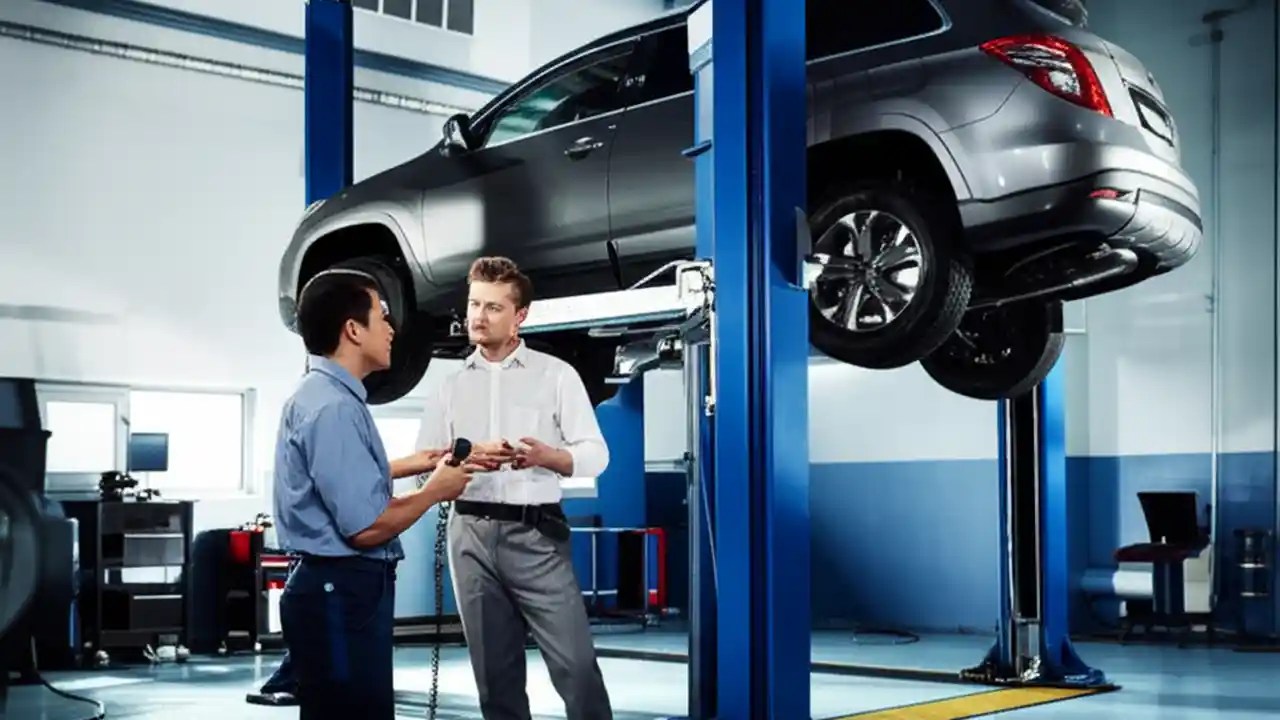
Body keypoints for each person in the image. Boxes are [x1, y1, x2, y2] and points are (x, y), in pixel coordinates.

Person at [272, 268, 486, 720]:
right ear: (352, 330)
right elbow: (365, 527)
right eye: (382, 316)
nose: (391, 329)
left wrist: (414, 464)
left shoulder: (327, 396)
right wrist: (434, 492)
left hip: (336, 588)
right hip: (341, 589)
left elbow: (332, 481)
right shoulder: (332, 408)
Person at [417, 256, 614, 720]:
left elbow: (596, 453)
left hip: (537, 536)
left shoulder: (556, 375)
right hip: (469, 537)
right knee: (495, 677)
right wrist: (460, 461)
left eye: (492, 307)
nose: (478, 317)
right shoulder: (449, 387)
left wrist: (551, 457)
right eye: (473, 305)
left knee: (577, 666)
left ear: (519, 315)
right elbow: (426, 468)